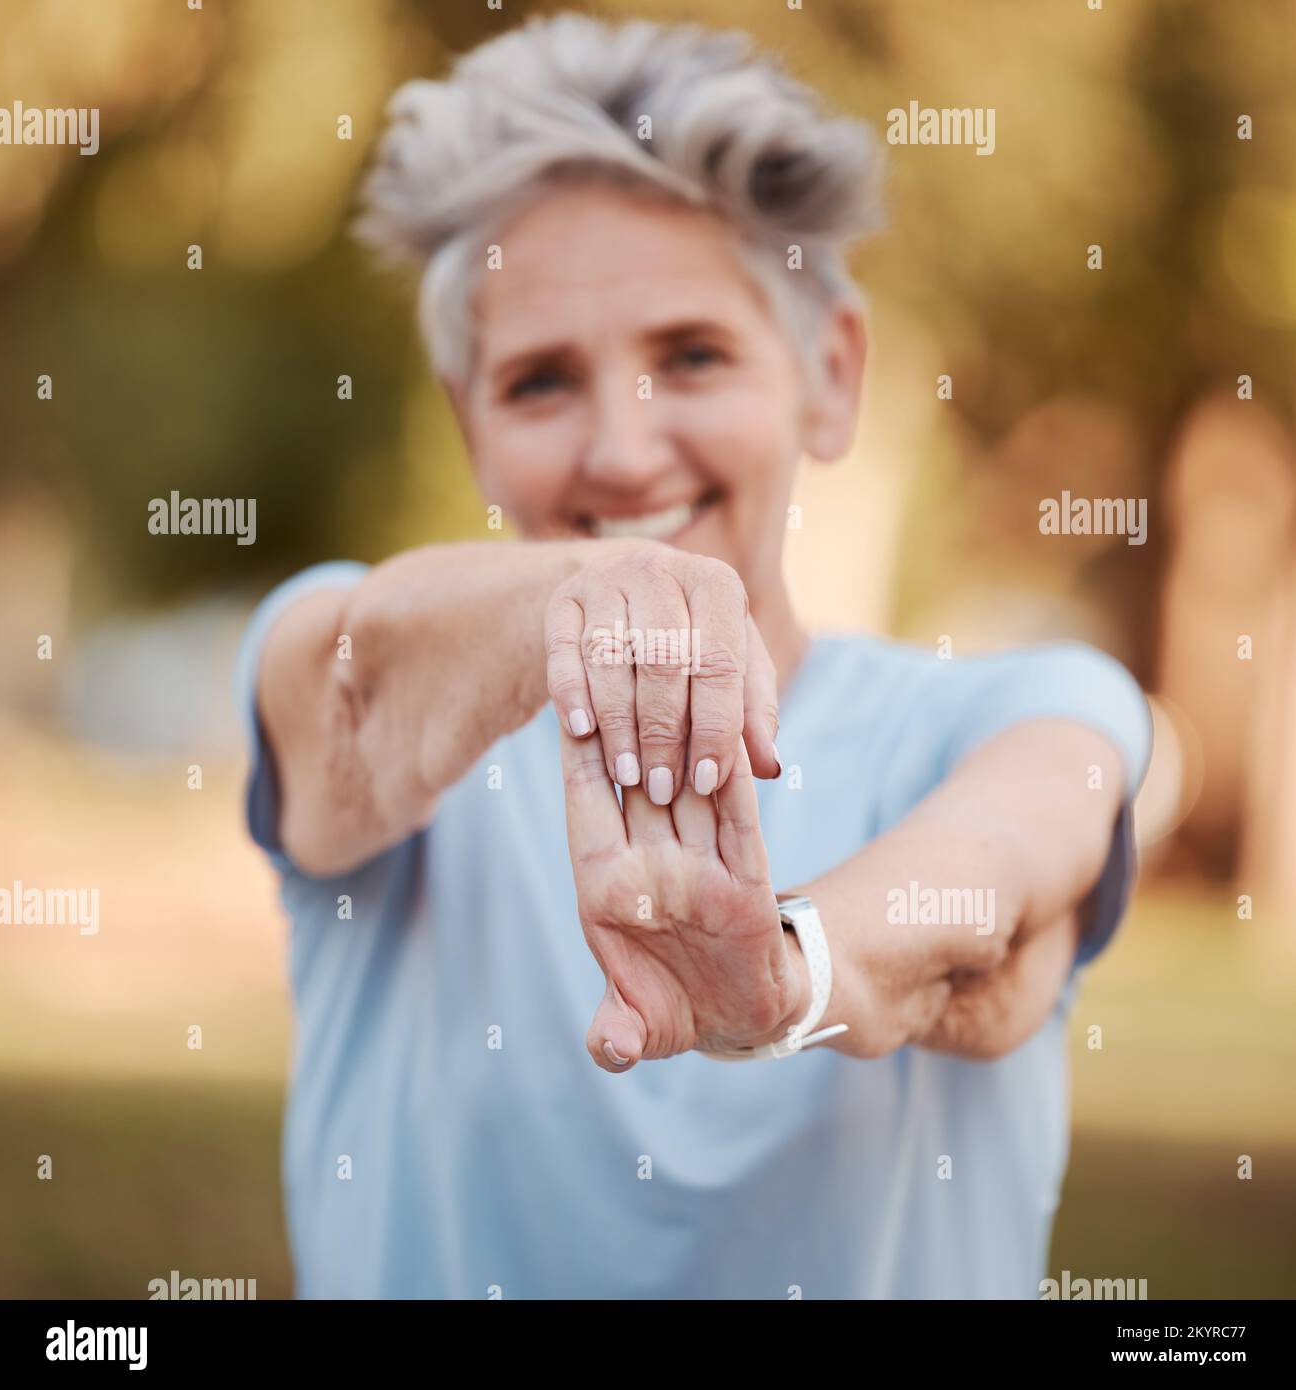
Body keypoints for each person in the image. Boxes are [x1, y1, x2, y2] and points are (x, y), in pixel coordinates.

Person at [235, 13, 1152, 1299]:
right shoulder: (353, 652)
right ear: (469, 421)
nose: (622, 448)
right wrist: (603, 591)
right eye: (542, 381)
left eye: (693, 356)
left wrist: (781, 975)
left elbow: (994, 895)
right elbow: (356, 683)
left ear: (828, 377)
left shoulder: (1021, 708)